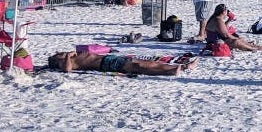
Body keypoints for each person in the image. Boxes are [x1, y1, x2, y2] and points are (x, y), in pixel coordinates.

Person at [48, 50, 195, 76]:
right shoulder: (62, 62)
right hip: (105, 64)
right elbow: (67, 70)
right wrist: (67, 56)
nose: (59, 53)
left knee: (144, 62)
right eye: (57, 55)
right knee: (138, 67)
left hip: (108, 59)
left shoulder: (69, 56)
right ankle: (169, 71)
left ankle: (180, 67)